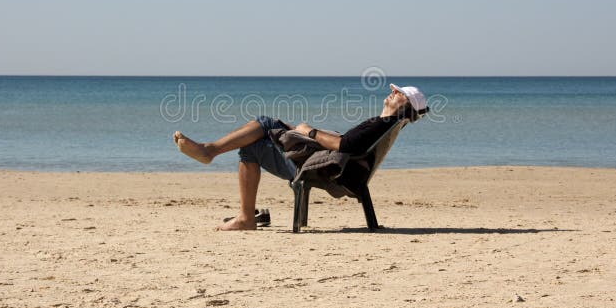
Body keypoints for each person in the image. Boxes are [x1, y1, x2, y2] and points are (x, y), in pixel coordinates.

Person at [173, 84, 427, 230]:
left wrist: (310, 131)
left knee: (253, 143)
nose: (391, 91)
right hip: (339, 169)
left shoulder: (381, 124)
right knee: (267, 125)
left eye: (398, 92)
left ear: (405, 105)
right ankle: (210, 151)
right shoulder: (385, 124)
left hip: (326, 171)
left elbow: (344, 144)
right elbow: (350, 145)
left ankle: (242, 211)